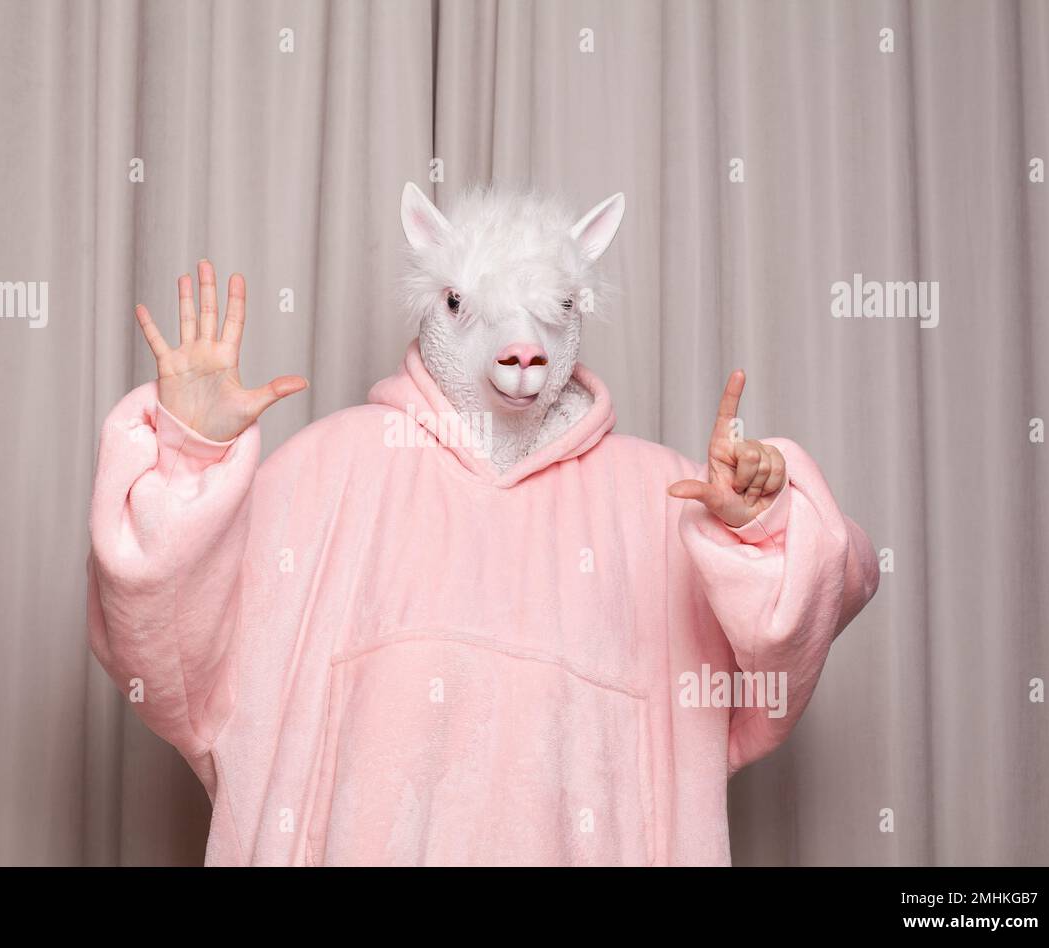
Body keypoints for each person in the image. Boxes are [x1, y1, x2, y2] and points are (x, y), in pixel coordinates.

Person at [86, 183, 879, 865]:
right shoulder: (331, 469)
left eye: (554, 310)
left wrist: (759, 526)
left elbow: (808, 618)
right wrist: (190, 456)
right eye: (469, 306)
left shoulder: (665, 497)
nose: (521, 348)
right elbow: (169, 655)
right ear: (438, 304)